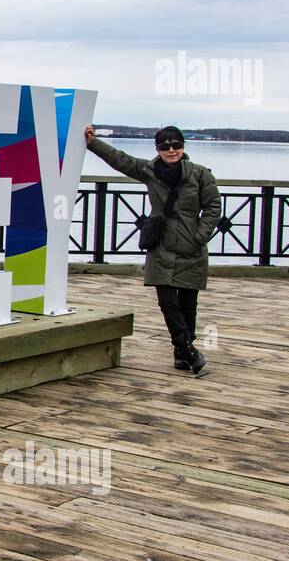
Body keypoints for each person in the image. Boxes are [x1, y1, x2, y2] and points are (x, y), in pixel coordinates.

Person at [84, 124, 221, 375]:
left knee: (188, 303)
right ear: (157, 148)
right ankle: (187, 349)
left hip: (192, 248)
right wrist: (93, 143)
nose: (171, 150)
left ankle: (182, 354)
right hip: (161, 245)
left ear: (183, 146)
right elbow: (120, 160)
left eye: (176, 145)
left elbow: (213, 207)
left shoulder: (200, 175)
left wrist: (199, 236)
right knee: (167, 301)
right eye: (165, 146)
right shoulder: (149, 171)